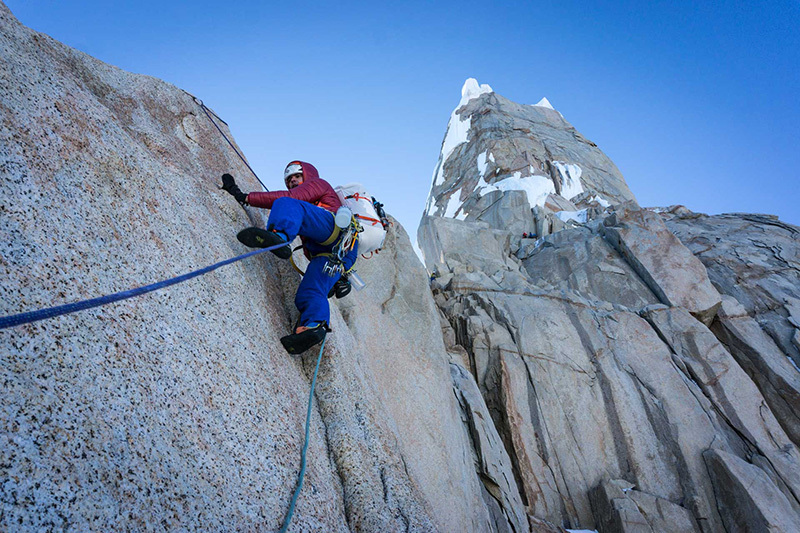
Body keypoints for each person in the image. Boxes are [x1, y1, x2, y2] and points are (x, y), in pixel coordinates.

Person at [220, 161, 358, 354]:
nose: (292, 180)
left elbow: (290, 198)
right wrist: (341, 275)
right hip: (336, 253)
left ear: (308, 175)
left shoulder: (319, 184)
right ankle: (314, 327)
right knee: (310, 292)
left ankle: (280, 236)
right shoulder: (310, 207)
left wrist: (244, 197)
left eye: (297, 176)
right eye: (289, 179)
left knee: (286, 203)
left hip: (334, 230)